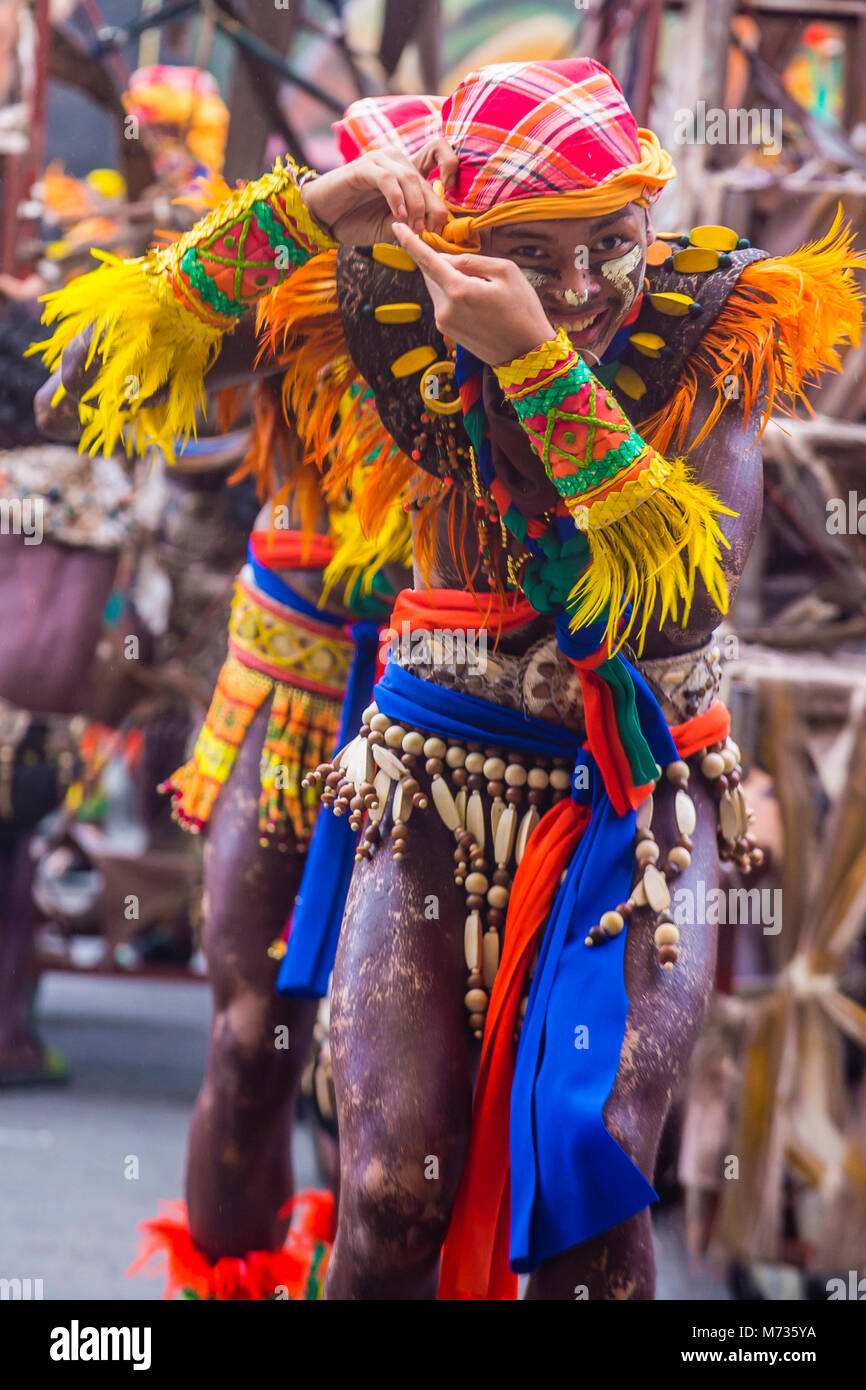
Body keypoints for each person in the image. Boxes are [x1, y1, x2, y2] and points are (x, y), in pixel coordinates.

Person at [33, 58, 863, 1300]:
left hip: (630, 796)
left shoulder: (706, 327)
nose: (583, 287)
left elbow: (681, 598)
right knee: (371, 1171)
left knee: (584, 1172)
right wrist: (311, 210)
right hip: (412, 752)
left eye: (611, 245)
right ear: (448, 239)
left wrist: (537, 361)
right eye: (535, 252)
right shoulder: (372, 306)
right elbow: (100, 376)